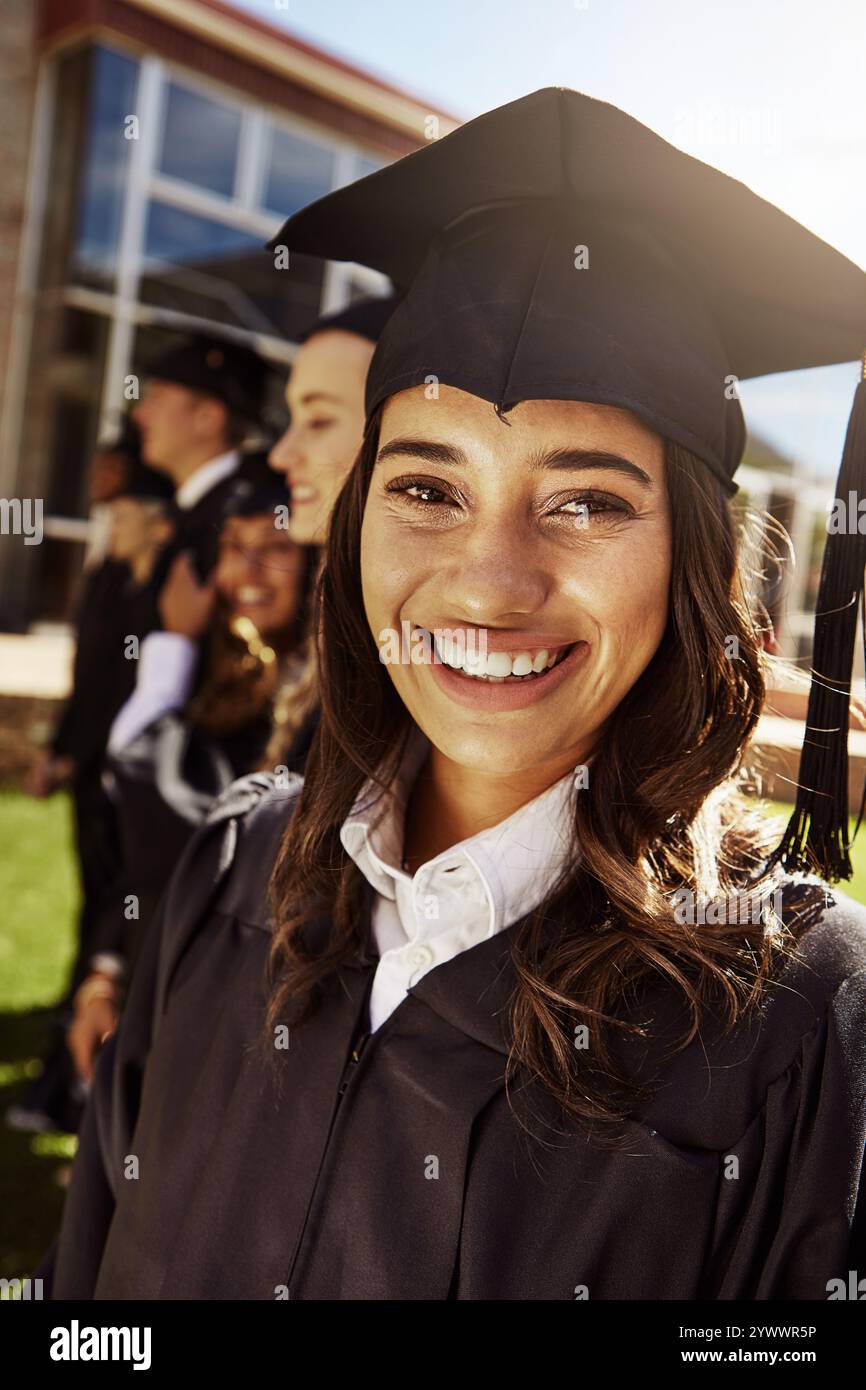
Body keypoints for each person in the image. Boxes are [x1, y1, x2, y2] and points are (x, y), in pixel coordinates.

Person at [44, 89, 866, 1299]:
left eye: (586, 500)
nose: (487, 584)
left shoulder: (790, 1015)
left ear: (694, 559)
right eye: (426, 487)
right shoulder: (235, 868)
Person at [66, 468, 314, 1084]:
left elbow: (179, 814)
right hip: (159, 984)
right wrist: (105, 973)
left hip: (254, 1016)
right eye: (234, 547)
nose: (249, 570)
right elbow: (142, 858)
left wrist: (170, 648)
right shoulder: (215, 687)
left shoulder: (324, 708)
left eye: (277, 548)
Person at [8, 445, 174, 1135]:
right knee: (96, 919)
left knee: (119, 924)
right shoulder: (110, 577)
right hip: (93, 783)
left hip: (135, 792)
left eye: (125, 513)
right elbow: (92, 680)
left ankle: (77, 1085)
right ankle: (68, 1066)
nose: (111, 524)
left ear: (158, 521)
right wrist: (62, 754)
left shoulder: (170, 596)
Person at [133, 334, 271, 580]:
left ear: (208, 418)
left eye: (157, 398)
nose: (140, 414)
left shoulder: (246, 518)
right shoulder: (192, 510)